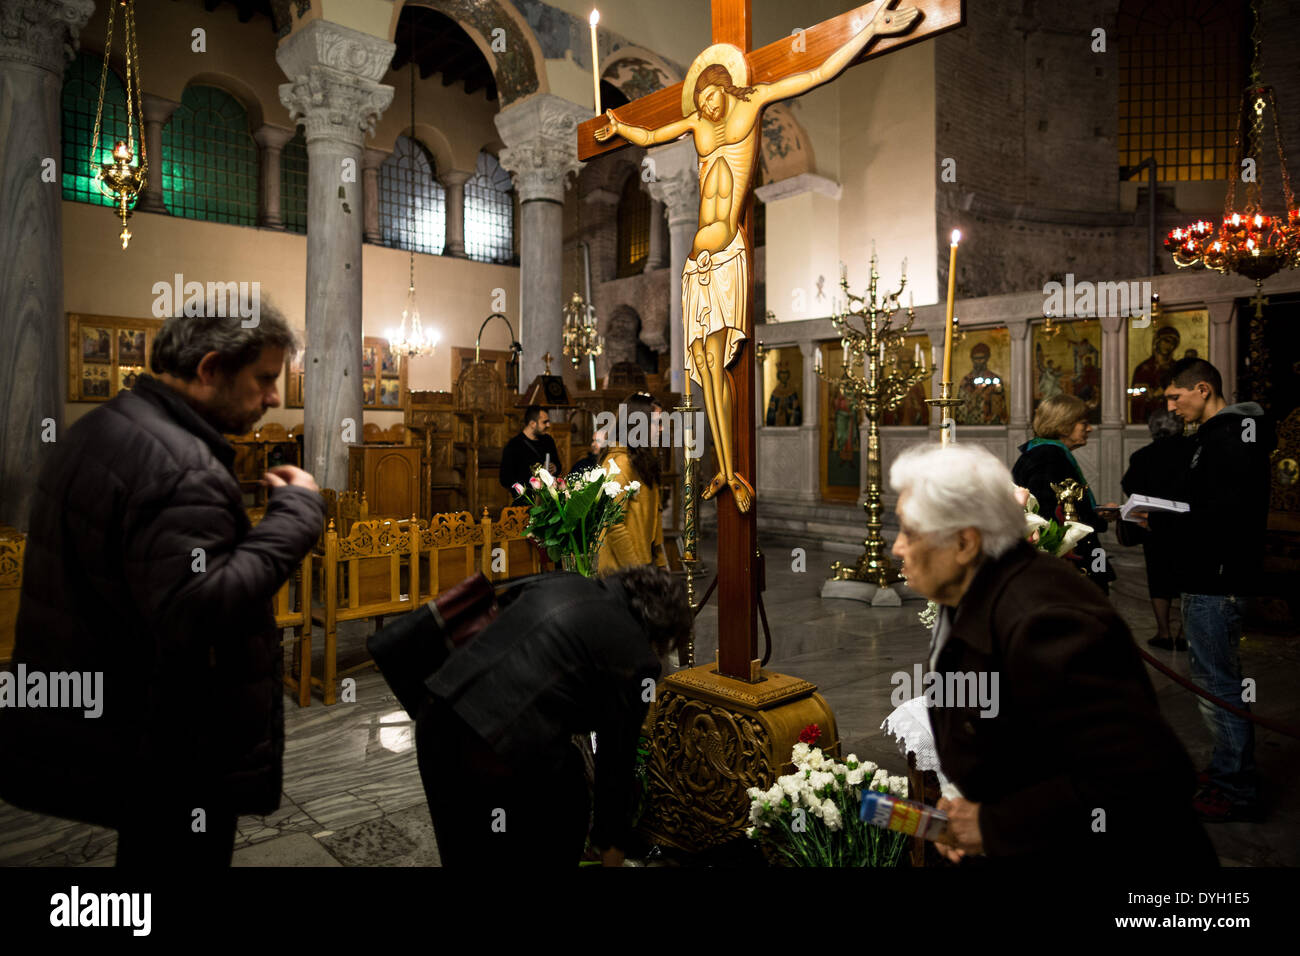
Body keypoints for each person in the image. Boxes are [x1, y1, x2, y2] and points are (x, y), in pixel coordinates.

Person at [0, 308, 325, 867]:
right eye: (266, 379)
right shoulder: (182, 466)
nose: (275, 399)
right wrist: (295, 517)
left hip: (115, 724)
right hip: (173, 737)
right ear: (210, 367)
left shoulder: (101, 428)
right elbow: (198, 608)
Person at [888, 442, 1215, 865]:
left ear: (965, 543)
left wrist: (993, 825)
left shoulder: (1046, 621)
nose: (897, 547)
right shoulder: (970, 591)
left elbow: (1144, 778)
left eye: (909, 532)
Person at [414, 565, 690, 866]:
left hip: (436, 715)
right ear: (661, 628)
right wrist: (610, 843)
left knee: (464, 844)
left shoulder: (556, 582)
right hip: (493, 745)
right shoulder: (637, 658)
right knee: (566, 802)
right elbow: (616, 761)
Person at [1158, 357, 1273, 823]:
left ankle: (1236, 788)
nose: (1170, 406)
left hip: (1216, 579)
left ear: (1202, 389)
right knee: (1219, 680)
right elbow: (1205, 505)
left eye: (1174, 396)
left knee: (1217, 686)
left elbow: (1219, 517)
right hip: (1215, 575)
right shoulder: (1220, 437)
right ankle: (1230, 768)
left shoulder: (1228, 440)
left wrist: (1161, 517)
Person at [1011, 393, 1117, 593]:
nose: (1089, 428)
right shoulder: (1049, 456)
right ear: (1063, 424)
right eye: (1083, 423)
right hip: (1067, 558)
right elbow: (1048, 514)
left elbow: (1066, 501)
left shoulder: (1041, 452)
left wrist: (1096, 513)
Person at [1121, 408, 1194, 650]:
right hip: (1188, 524)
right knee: (1187, 576)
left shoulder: (1142, 455)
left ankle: (1163, 632)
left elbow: (1129, 485)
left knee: (1158, 575)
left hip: (1155, 525)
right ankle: (1185, 634)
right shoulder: (1193, 451)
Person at [597, 394, 668, 573]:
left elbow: (654, 519)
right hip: (622, 570)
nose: (661, 429)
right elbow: (613, 524)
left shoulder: (642, 462)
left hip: (644, 564)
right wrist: (636, 571)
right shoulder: (619, 463)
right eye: (656, 423)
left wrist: (660, 563)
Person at [499, 405, 562, 496]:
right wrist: (534, 478)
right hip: (526, 499)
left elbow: (558, 464)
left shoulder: (548, 441)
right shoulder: (514, 445)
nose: (548, 425)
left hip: (548, 497)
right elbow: (505, 479)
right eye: (545, 422)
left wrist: (555, 468)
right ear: (532, 423)